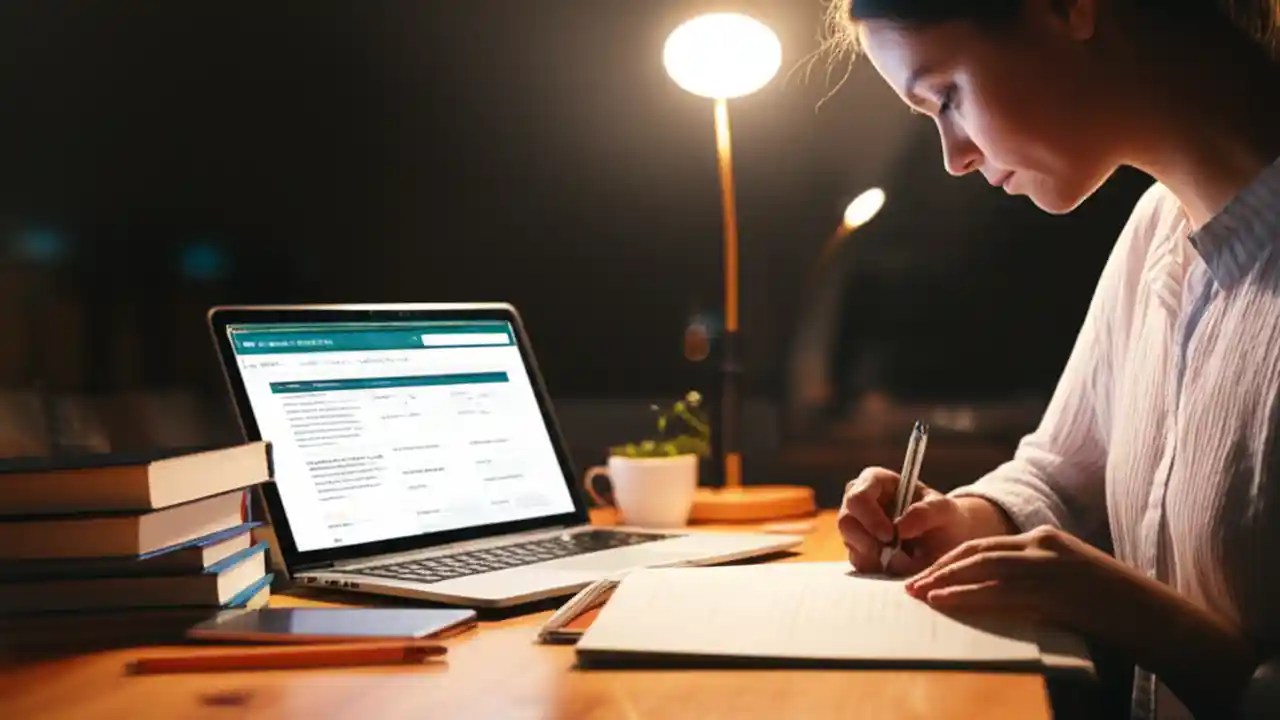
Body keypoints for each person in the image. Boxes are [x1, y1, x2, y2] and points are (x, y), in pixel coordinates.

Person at [828, 1, 1280, 718]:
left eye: (947, 95)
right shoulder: (1159, 230)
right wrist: (963, 520)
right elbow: (1064, 475)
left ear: (1069, 9)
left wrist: (1130, 614)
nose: (954, 157)